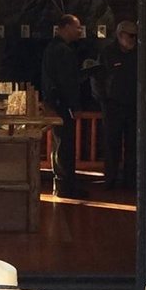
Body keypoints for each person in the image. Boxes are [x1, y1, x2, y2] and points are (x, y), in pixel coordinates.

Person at [39, 13, 87, 198]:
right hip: (63, 104)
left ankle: (61, 184)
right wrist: (75, 106)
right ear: (66, 27)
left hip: (53, 102)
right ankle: (66, 187)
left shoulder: (52, 48)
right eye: (77, 27)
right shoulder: (63, 51)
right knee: (65, 145)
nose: (79, 31)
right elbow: (68, 82)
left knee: (59, 144)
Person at [95, 20, 138, 191]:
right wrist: (103, 99)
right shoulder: (107, 52)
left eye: (136, 35)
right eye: (131, 35)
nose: (134, 39)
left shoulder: (139, 53)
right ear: (120, 35)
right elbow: (97, 77)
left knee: (133, 144)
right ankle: (110, 180)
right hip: (112, 106)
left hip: (134, 106)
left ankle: (131, 181)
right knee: (111, 144)